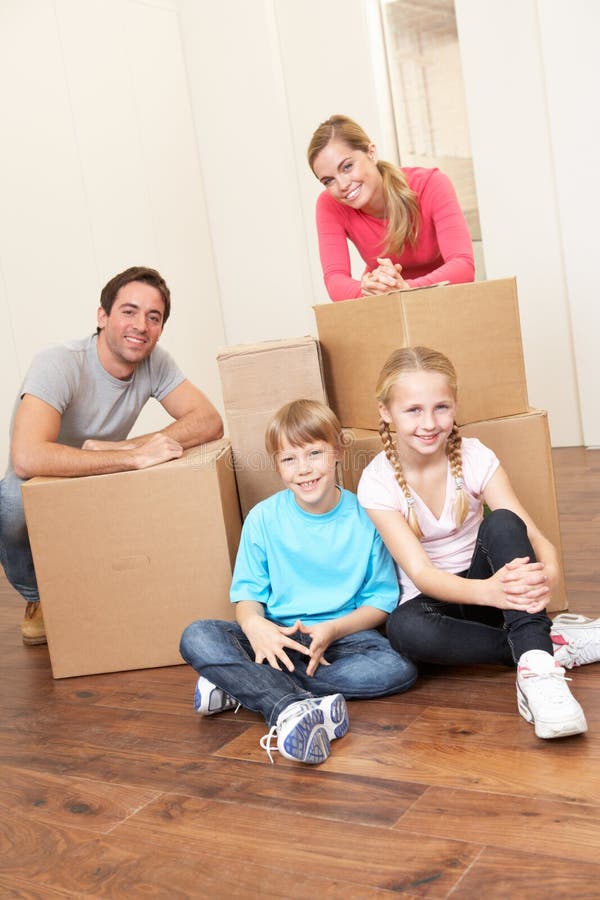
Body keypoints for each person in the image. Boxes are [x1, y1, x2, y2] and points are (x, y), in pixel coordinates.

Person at [357, 346, 600, 740]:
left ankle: (539, 674)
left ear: (455, 406)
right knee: (404, 629)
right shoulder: (376, 482)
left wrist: (549, 572)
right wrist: (489, 592)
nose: (430, 423)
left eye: (441, 407)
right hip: (441, 603)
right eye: (413, 410)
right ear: (386, 412)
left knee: (502, 522)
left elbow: (529, 531)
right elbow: (421, 572)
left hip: (493, 588)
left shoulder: (474, 456)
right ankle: (547, 644)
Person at [180, 399, 417, 765]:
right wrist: (256, 627)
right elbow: (246, 598)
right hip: (277, 637)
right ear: (277, 465)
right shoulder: (263, 518)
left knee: (399, 668)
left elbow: (380, 603)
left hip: (344, 638)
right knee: (197, 636)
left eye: (314, 453)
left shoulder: (367, 516)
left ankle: (242, 684)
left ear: (338, 452)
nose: (303, 470)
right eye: (289, 459)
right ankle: (289, 708)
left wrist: (333, 629)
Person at [0, 265, 223, 646]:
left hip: (104, 477)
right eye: (129, 311)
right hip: (49, 481)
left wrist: (127, 447)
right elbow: (27, 457)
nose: (141, 325)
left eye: (153, 317)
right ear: (102, 317)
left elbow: (208, 420)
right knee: (10, 503)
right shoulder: (59, 362)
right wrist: (131, 458)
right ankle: (38, 597)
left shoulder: (156, 362)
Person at [307, 114, 475, 301]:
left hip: (442, 296)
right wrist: (368, 290)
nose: (342, 184)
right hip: (382, 302)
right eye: (328, 180)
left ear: (371, 153)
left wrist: (406, 288)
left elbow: (463, 265)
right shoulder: (330, 204)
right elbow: (335, 278)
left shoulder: (431, 184)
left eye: (347, 167)